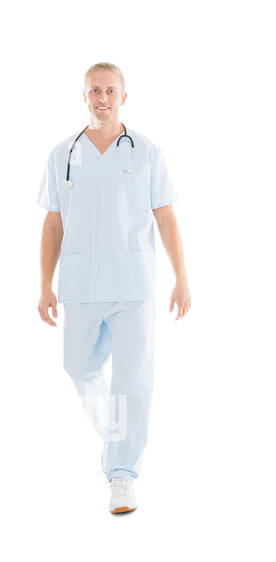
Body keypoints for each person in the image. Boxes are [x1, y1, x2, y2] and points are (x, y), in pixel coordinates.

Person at [37, 62, 191, 515]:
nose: (101, 98)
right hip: (81, 282)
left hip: (132, 284)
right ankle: (115, 438)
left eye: (110, 90)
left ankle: (122, 474)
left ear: (124, 96)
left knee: (132, 380)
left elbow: (165, 217)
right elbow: (52, 224)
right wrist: (44, 285)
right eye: (93, 91)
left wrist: (182, 276)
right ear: (84, 96)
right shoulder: (63, 154)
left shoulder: (145, 152)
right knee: (78, 368)